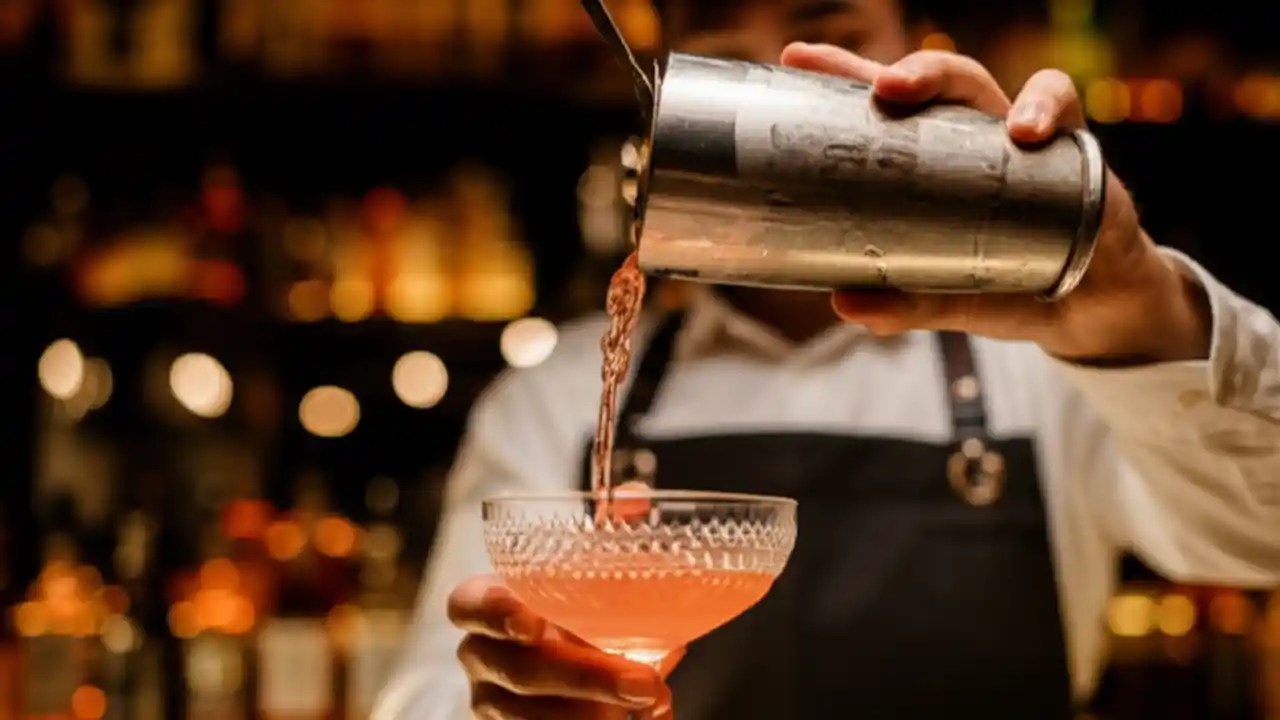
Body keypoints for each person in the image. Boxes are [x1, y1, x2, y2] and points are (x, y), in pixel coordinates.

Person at [373, 1, 1280, 718]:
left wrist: (1135, 301)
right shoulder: (556, 396)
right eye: (730, 62)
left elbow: (1260, 536)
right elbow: (431, 694)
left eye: (837, 38)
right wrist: (511, 705)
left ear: (912, 54)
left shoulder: (1049, 364)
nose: (780, 83)